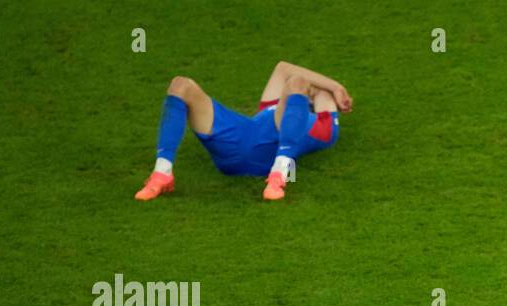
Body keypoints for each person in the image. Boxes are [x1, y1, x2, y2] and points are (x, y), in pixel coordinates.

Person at [134, 60, 352, 202]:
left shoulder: (322, 126)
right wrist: (334, 85)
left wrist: (328, 91)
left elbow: (308, 89)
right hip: (239, 138)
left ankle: (280, 173)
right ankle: (162, 173)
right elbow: (282, 68)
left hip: (268, 155)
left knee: (298, 81)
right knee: (180, 85)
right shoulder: (271, 108)